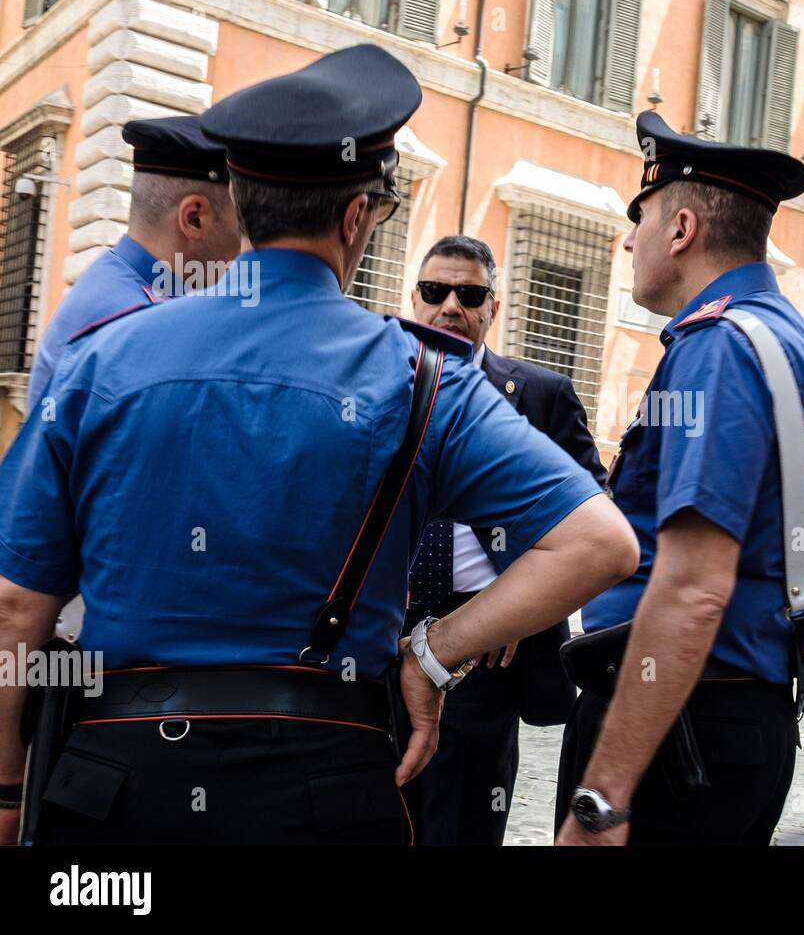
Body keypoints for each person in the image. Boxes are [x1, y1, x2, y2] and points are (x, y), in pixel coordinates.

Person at [0, 44, 638, 846]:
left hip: (116, 786)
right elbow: (601, 543)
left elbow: (16, 607)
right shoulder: (424, 381)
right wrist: (432, 656)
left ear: (237, 195)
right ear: (356, 215)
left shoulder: (103, 359)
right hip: (328, 786)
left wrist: (4, 788)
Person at [553, 111, 804, 846]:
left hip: (679, 725)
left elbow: (692, 588)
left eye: (641, 217)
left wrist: (605, 796)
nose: (629, 240)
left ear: (682, 229)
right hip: (736, 714)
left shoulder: (716, 344)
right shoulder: (790, 340)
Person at [402, 234, 607, 845]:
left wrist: (521, 603)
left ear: (495, 305)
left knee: (464, 821)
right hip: (380, 640)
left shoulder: (542, 397)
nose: (450, 307)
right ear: (415, 299)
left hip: (486, 646)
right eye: (435, 292)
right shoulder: (380, 387)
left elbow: (596, 516)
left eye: (470, 294)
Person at [27, 115, 240, 412]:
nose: (243, 241)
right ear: (195, 218)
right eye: (241, 221)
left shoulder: (120, 287)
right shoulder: (135, 321)